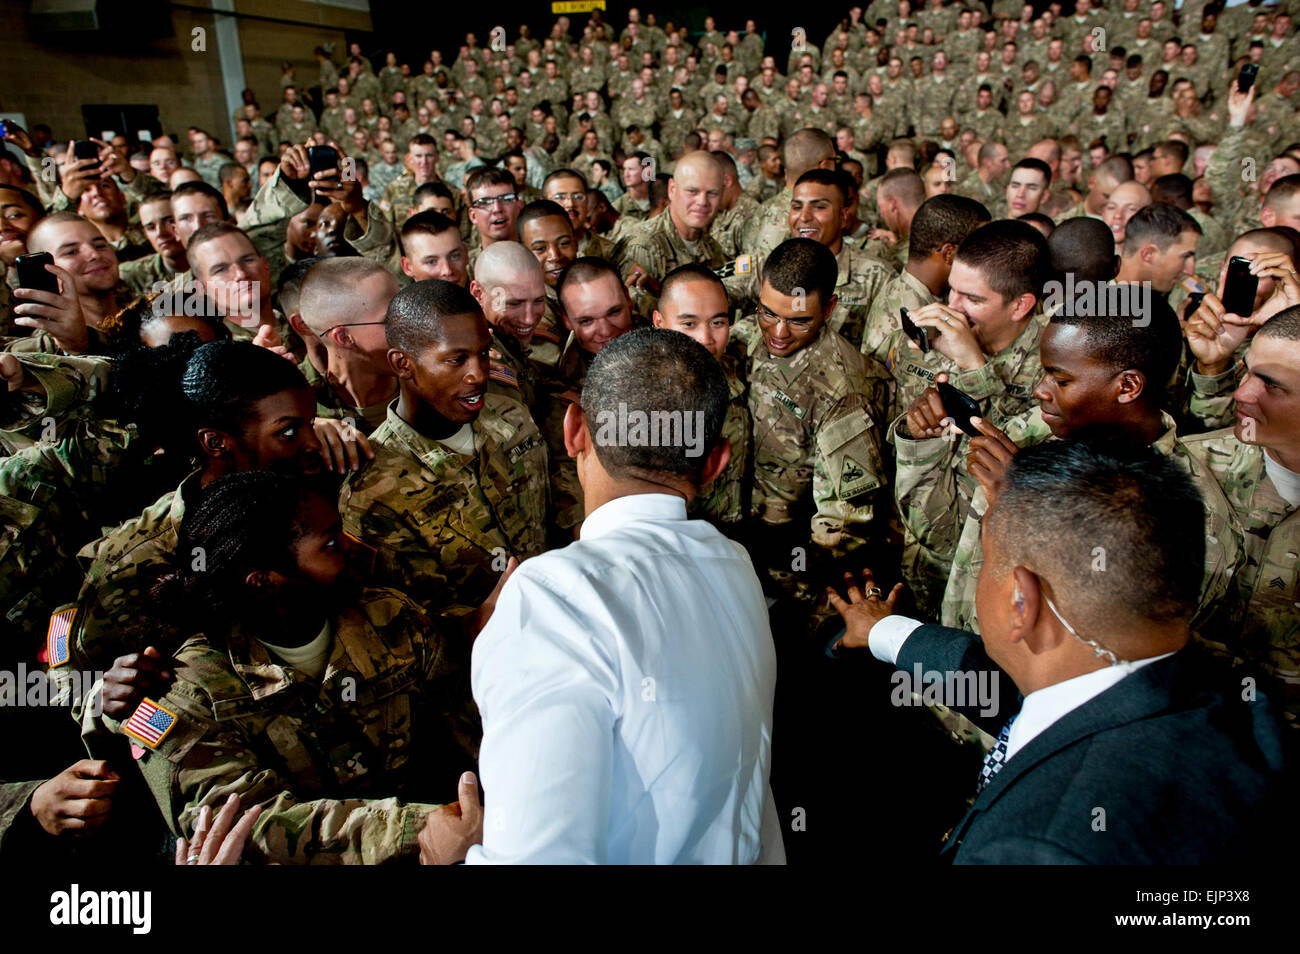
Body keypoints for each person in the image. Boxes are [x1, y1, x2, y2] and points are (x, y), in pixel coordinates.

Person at [419, 327, 784, 865]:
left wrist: (457, 858)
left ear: (573, 432)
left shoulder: (550, 600)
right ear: (716, 462)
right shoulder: (735, 565)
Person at [828, 441, 1288, 863]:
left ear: (1021, 602)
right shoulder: (1232, 708)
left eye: (989, 562)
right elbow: (1015, 699)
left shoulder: (1037, 846)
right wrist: (887, 631)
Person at [103, 470, 477, 865]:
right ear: (264, 582)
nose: (354, 548)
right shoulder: (186, 693)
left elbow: (468, 723)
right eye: (331, 543)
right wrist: (424, 827)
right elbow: (250, 825)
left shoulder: (390, 616)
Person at [339, 277, 548, 617]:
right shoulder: (372, 492)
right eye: (456, 360)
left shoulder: (512, 416)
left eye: (483, 354)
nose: (478, 374)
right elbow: (411, 625)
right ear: (403, 364)